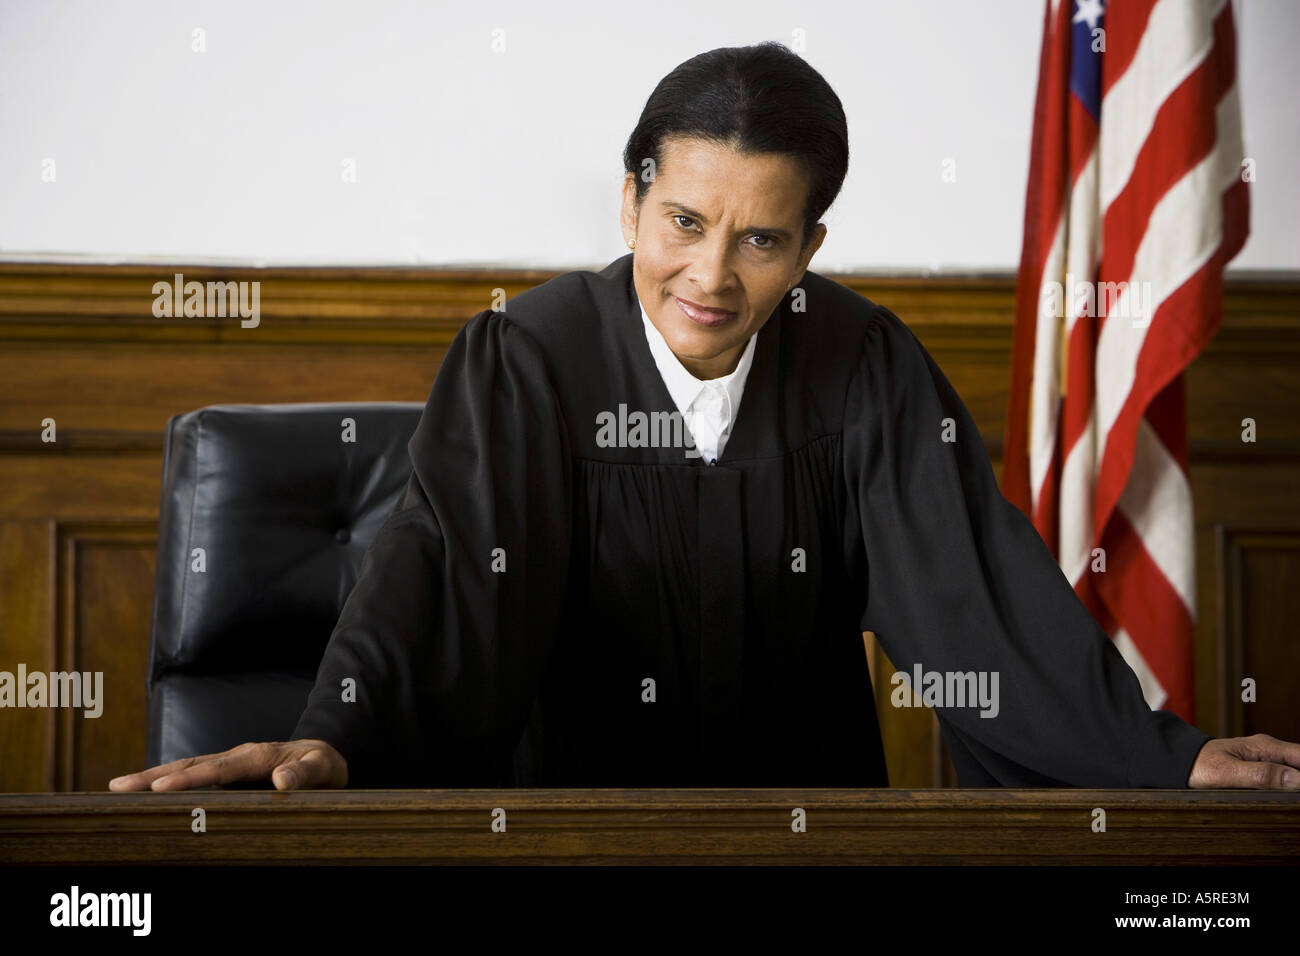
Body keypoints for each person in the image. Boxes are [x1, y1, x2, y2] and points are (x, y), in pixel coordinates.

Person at [110, 42, 1299, 794]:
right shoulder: (523, 361)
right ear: (630, 200)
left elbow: (976, 605)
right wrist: (342, 740)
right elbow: (442, 587)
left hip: (816, 848)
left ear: (810, 250)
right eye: (682, 219)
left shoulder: (862, 365)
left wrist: (1164, 756)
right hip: (572, 850)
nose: (711, 274)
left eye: (761, 239)